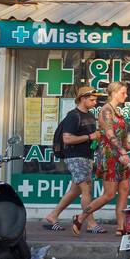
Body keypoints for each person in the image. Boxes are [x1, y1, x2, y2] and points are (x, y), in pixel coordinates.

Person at [74, 80, 130, 236]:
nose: (126, 95)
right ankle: (80, 217)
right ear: (114, 93)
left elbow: (123, 141)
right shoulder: (106, 111)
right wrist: (123, 152)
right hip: (109, 155)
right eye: (123, 92)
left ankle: (121, 227)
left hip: (121, 155)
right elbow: (109, 135)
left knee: (124, 190)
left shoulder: (118, 111)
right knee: (109, 194)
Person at [43, 85, 100, 232]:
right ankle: (91, 224)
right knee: (86, 190)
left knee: (75, 191)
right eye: (92, 99)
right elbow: (67, 139)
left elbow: (92, 138)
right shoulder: (73, 116)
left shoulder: (90, 116)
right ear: (82, 99)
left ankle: (52, 215)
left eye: (95, 100)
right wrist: (89, 137)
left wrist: (96, 140)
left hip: (87, 157)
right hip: (75, 157)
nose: (95, 103)